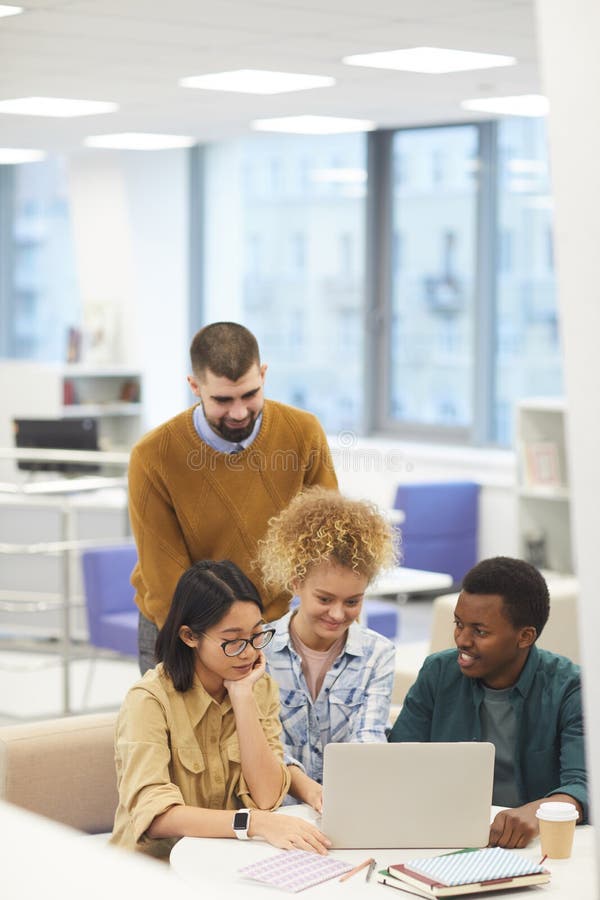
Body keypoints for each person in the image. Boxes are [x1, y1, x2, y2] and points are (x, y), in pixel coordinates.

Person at [128, 321, 338, 673]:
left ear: (263, 374)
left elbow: (327, 541)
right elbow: (165, 580)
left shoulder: (303, 433)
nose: (239, 412)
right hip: (183, 627)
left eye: (249, 395)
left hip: (269, 628)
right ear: (195, 386)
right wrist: (213, 653)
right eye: (223, 400)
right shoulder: (153, 456)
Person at [110, 559, 331, 859]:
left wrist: (242, 698)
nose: (249, 652)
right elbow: (156, 816)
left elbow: (267, 797)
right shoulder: (149, 700)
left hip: (222, 862)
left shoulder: (258, 688)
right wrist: (251, 823)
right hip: (152, 868)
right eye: (233, 641)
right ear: (190, 636)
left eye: (256, 635)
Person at [388, 556, 587, 849]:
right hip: (443, 835)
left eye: (480, 632)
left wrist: (540, 811)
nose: (462, 640)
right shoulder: (437, 672)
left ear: (525, 637)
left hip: (535, 846)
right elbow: (397, 761)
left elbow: (582, 784)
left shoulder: (571, 687)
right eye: (458, 624)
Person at [258, 488, 397, 813]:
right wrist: (313, 794)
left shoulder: (378, 655)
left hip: (349, 809)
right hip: (276, 813)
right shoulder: (259, 650)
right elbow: (264, 745)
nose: (337, 614)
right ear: (296, 582)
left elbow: (369, 739)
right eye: (324, 599)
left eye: (352, 601)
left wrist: (343, 803)